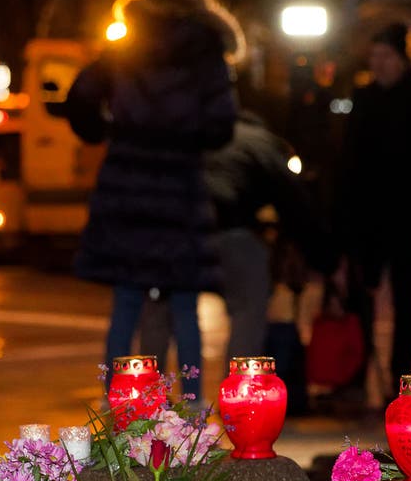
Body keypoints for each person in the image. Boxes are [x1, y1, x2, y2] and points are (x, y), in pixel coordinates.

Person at [63, 0, 241, 403]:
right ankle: (194, 400)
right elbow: (222, 125)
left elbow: (79, 100)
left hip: (128, 179)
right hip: (179, 182)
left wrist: (109, 130)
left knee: (126, 298)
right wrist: (186, 137)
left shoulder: (125, 46)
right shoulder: (206, 50)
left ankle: (115, 397)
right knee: (185, 300)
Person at [137, 107, 323, 368]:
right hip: (232, 229)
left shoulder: (190, 136)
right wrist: (323, 257)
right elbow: (294, 201)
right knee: (249, 307)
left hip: (180, 233)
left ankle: (150, 396)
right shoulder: (260, 142)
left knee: (162, 311)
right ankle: (237, 397)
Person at [337, 22, 411, 401]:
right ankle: (357, 373)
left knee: (406, 301)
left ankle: (399, 378)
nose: (378, 63)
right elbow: (349, 162)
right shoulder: (365, 98)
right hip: (367, 219)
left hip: (408, 219)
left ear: (401, 58)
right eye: (373, 56)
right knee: (360, 297)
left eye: (385, 56)